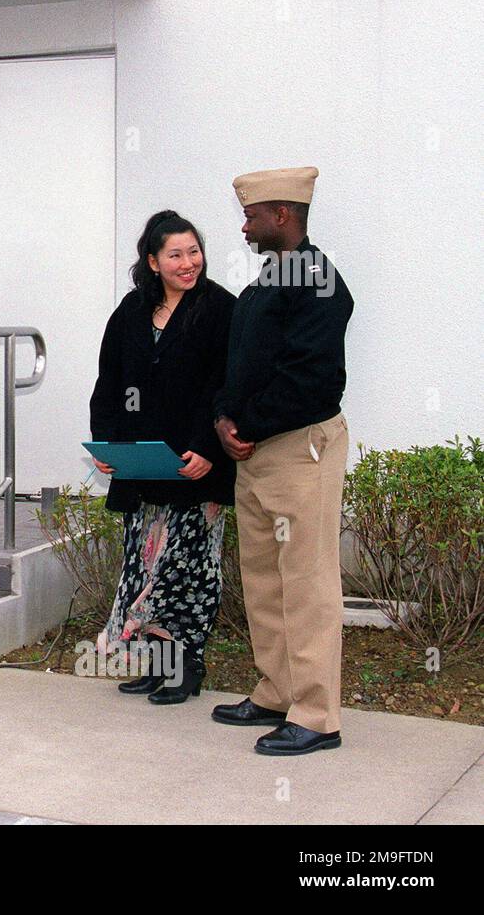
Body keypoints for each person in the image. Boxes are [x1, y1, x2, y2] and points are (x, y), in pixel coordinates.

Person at [211, 166, 353, 755]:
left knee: (308, 581)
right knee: (264, 578)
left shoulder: (317, 278)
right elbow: (239, 364)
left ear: (282, 216)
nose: (244, 226)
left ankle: (317, 715)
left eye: (251, 216)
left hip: (299, 448)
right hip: (257, 452)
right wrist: (223, 417)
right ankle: (277, 690)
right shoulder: (270, 279)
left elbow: (314, 377)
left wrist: (251, 424)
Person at [89, 211, 237, 705]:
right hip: (143, 472)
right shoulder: (131, 311)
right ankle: (156, 665)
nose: (188, 263)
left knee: (188, 570)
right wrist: (107, 443)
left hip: (195, 469)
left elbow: (227, 389)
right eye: (175, 254)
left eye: (193, 251)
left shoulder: (220, 309)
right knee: (146, 565)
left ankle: (186, 668)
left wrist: (210, 449)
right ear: (152, 261)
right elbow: (108, 383)